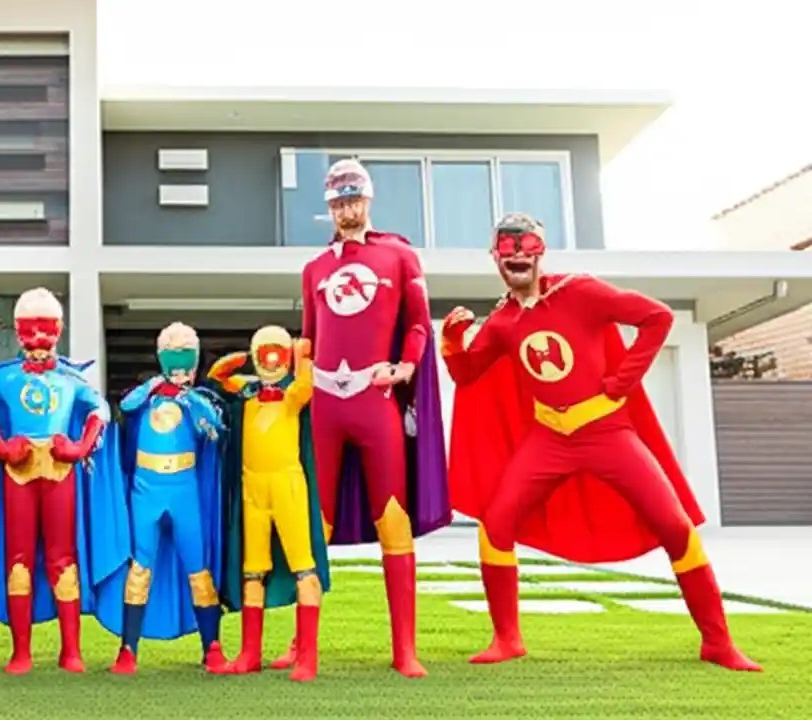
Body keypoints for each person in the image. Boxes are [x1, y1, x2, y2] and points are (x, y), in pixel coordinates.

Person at [443, 212, 762, 672]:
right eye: (507, 250)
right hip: (548, 436)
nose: (516, 256)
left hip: (607, 431)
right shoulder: (503, 321)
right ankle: (507, 638)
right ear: (496, 258)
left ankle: (717, 642)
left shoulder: (580, 291)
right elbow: (469, 374)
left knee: (673, 525)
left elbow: (657, 317)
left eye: (525, 247)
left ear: (539, 252)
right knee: (496, 522)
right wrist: (453, 342)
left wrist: (622, 382)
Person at [300, 159, 451, 678]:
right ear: (329, 207)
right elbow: (307, 336)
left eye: (353, 198)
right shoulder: (314, 268)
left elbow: (417, 324)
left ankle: (405, 648)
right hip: (324, 403)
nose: (346, 208)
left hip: (375, 397)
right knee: (310, 525)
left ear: (368, 200)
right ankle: (304, 646)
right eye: (338, 201)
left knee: (394, 517)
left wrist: (406, 367)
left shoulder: (400, 255)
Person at [0, 287, 128, 674]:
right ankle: (21, 651)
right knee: (18, 560)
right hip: (18, 475)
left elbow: (100, 409)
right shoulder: (3, 376)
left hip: (59, 474)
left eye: (46, 329)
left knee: (62, 559)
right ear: (18, 331)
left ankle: (71, 650)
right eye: (30, 330)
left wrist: (79, 447)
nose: (38, 340)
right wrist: (1, 448)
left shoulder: (71, 378)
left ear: (59, 330)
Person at [206, 326, 331, 682]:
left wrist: (303, 357)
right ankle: (250, 653)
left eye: (276, 352)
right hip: (252, 488)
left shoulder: (292, 395)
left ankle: (307, 657)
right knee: (252, 570)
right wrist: (236, 365)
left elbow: (305, 388)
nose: (270, 360)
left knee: (303, 566)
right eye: (264, 352)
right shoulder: (245, 397)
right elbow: (218, 381)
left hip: (287, 485)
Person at [107, 322, 229, 675]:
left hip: (185, 490)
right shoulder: (146, 397)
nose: (182, 371)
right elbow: (127, 405)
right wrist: (155, 384)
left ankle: (212, 648)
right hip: (147, 489)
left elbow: (215, 430)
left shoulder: (199, 400)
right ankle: (128, 649)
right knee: (139, 569)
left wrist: (190, 398)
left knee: (198, 568)